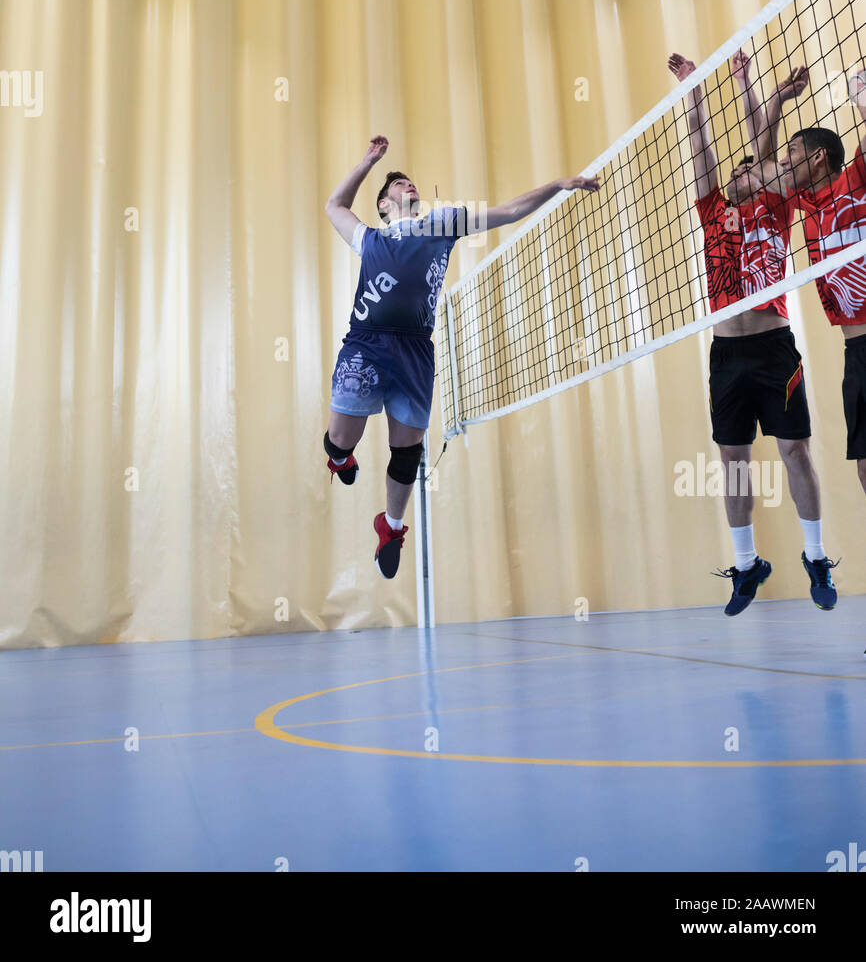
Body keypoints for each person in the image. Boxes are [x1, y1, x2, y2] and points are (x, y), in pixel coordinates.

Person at [324, 135, 600, 578]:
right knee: (340, 438)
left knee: (407, 450)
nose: (409, 186)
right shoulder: (369, 239)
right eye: (399, 185)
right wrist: (368, 161)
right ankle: (339, 457)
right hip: (368, 344)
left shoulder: (443, 224)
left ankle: (391, 527)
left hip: (415, 350)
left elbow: (509, 211)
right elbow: (334, 205)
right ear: (383, 204)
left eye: (413, 182)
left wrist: (557, 184)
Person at [668, 52, 836, 614]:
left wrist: (759, 91)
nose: (743, 173)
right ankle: (746, 566)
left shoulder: (774, 203)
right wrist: (693, 91)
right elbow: (699, 144)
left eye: (750, 169)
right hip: (725, 353)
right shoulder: (712, 207)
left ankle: (815, 556)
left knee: (794, 449)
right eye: (736, 170)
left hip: (773, 346)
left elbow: (762, 147)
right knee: (732, 459)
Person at [777, 70, 866, 498]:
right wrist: (774, 100)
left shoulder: (857, 177)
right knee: (865, 467)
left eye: (792, 151)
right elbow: (761, 170)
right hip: (858, 352)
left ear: (818, 158)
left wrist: (861, 95)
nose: (784, 160)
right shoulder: (804, 201)